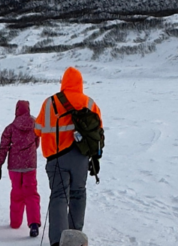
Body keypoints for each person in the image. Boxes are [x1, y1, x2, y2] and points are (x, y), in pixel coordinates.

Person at [34, 67, 103, 246]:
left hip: (56, 157)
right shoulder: (90, 103)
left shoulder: (50, 102)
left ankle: (58, 241)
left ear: (63, 82)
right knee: (78, 194)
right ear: (80, 83)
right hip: (81, 158)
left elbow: (38, 129)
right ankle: (75, 238)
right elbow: (98, 130)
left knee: (59, 196)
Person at [0, 100, 41, 237]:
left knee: (16, 193)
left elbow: (3, 147)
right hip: (30, 166)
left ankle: (15, 223)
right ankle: (34, 223)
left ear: (16, 110)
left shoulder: (10, 128)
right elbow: (37, 143)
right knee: (31, 194)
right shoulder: (35, 125)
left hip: (14, 166)